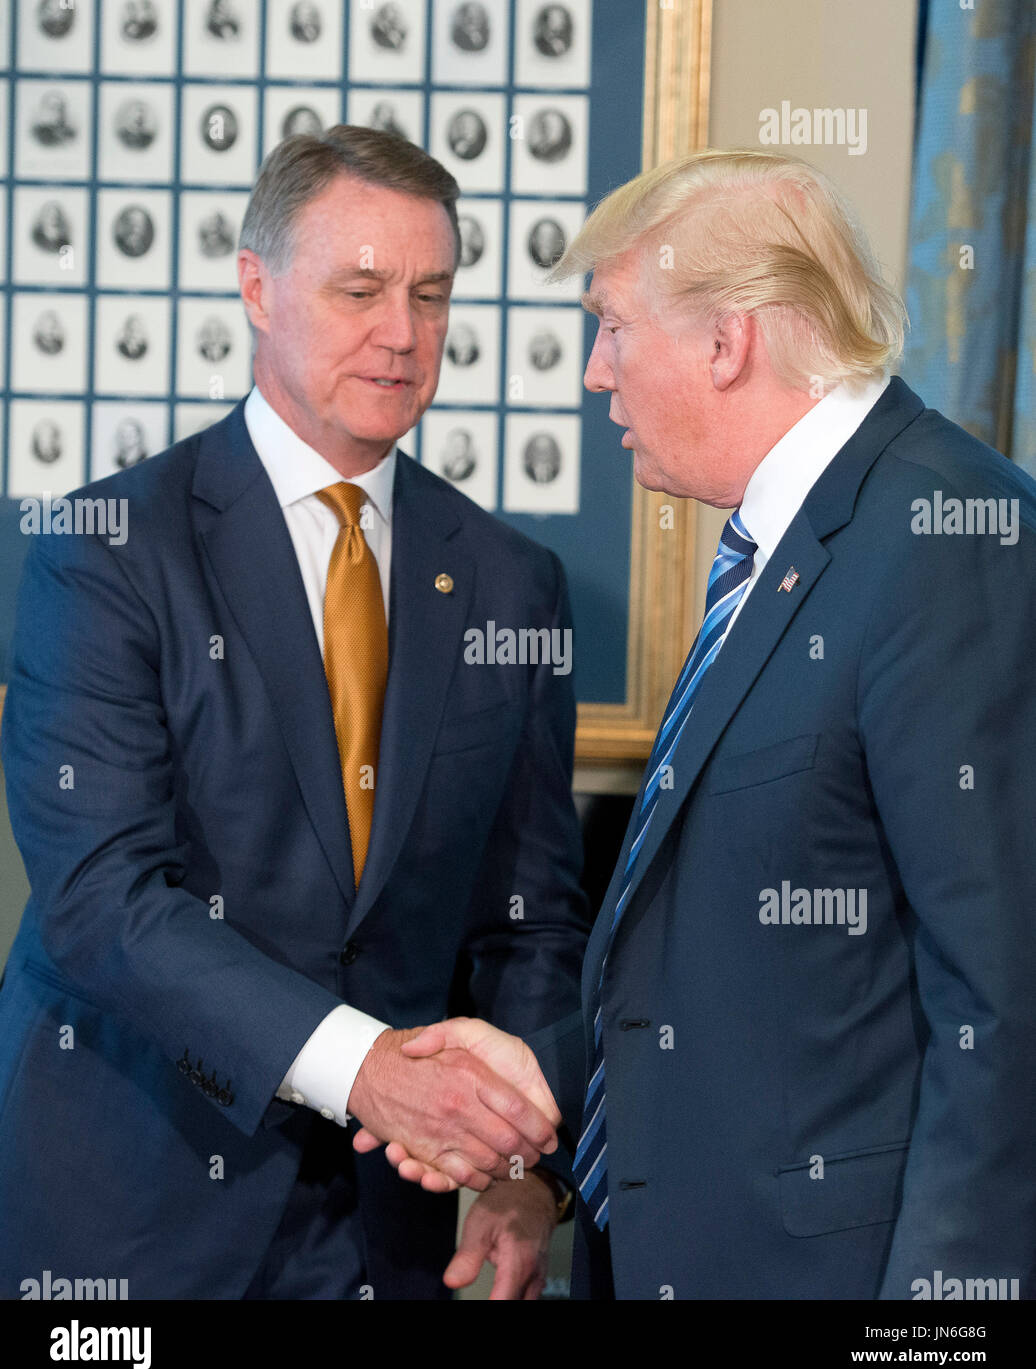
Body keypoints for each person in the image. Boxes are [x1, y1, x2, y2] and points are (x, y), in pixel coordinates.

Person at [364, 149, 1036, 1301]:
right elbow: (753, 970)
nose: (593, 373)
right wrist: (538, 1075)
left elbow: (1004, 1000)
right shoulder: (789, 537)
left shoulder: (946, 536)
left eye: (614, 327)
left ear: (727, 343)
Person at [0, 124, 588, 1302]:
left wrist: (529, 1164)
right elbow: (101, 900)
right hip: (135, 1220)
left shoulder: (513, 582)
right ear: (256, 287)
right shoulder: (104, 551)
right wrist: (365, 1066)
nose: (402, 334)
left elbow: (532, 923)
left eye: (430, 293)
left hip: (393, 1234)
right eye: (360, 288)